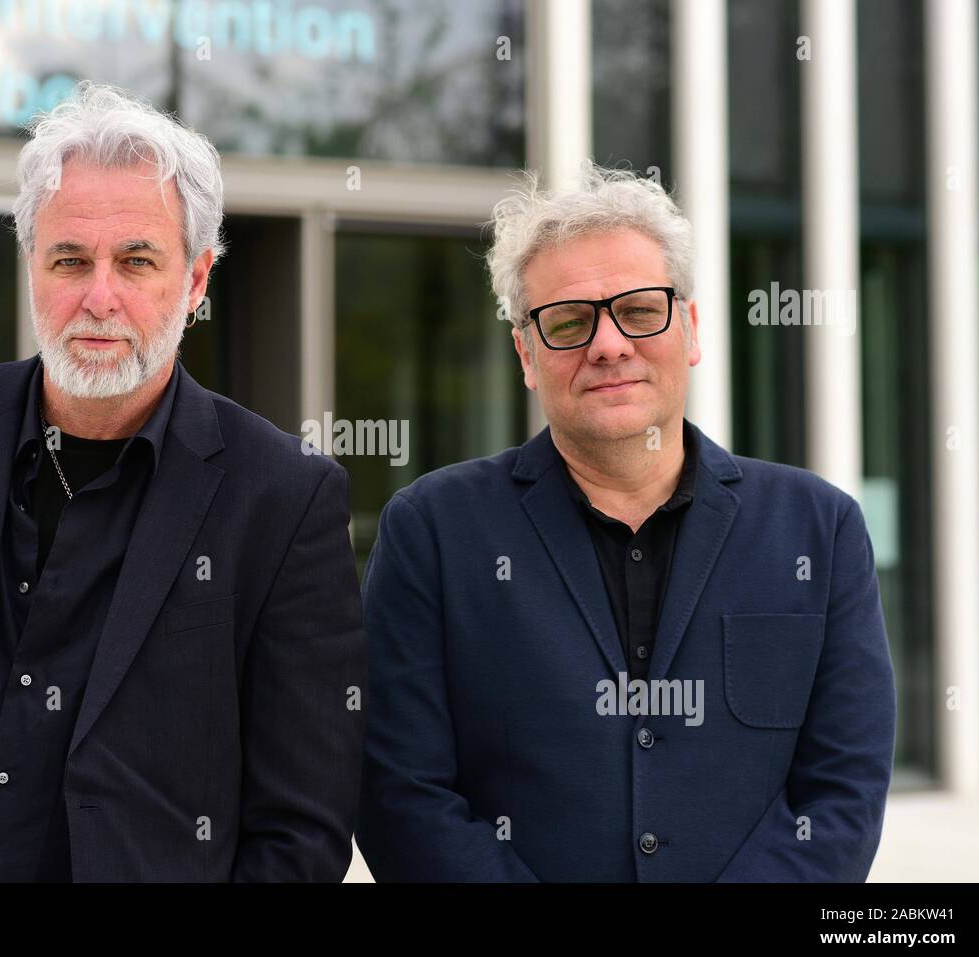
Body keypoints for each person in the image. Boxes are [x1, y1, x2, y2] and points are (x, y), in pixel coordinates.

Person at [0, 81, 366, 883]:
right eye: (69, 259)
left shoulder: (285, 500)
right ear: (32, 266)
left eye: (137, 260)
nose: (99, 296)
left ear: (195, 282)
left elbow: (299, 830)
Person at [356, 164, 896, 881]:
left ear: (692, 329)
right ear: (526, 353)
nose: (609, 344)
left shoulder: (819, 530)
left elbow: (841, 792)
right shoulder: (432, 532)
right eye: (571, 321)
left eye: (640, 310)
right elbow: (400, 794)